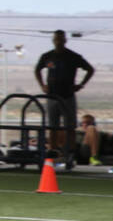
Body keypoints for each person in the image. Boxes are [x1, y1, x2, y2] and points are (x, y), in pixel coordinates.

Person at [34, 30, 94, 158]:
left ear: (65, 40)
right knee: (52, 127)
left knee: (70, 127)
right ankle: (53, 151)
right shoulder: (47, 56)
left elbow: (90, 69)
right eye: (56, 39)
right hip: (52, 96)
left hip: (67, 96)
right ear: (53, 40)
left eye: (61, 39)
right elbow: (37, 70)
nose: (58, 42)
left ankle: (70, 153)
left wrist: (81, 84)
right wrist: (42, 85)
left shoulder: (73, 56)